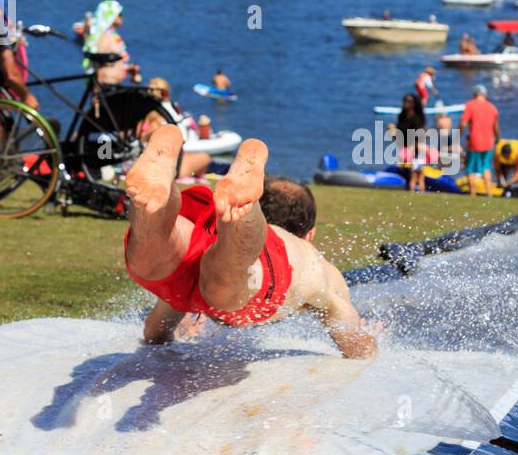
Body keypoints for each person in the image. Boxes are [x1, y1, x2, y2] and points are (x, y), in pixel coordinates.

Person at [125, 128, 378, 358]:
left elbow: (154, 333)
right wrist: (370, 344)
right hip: (255, 266)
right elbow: (352, 340)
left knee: (152, 259)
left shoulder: (258, 236)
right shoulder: (309, 258)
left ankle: (161, 197)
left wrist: (182, 328)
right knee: (229, 282)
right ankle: (243, 216)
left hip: (205, 236)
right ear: (309, 234)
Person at [85, 0, 140, 86]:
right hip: (106, 85)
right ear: (110, 15)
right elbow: (101, 62)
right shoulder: (103, 37)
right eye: (120, 14)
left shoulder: (111, 36)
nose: (122, 17)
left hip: (114, 85)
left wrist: (127, 69)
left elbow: (112, 63)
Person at [460, 85, 500, 196]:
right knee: (486, 167)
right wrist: (498, 138)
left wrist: (457, 134)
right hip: (489, 142)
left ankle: (472, 194)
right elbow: (496, 127)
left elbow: (463, 123)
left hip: (474, 141)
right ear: (485, 95)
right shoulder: (492, 107)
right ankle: (489, 194)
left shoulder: (470, 105)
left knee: (470, 168)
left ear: (474, 94)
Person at [392, 93, 428, 193]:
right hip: (406, 147)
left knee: (419, 175)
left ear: (414, 104)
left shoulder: (419, 117)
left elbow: (421, 132)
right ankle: (413, 190)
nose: (406, 103)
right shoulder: (402, 116)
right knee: (412, 173)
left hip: (417, 147)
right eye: (405, 101)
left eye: (409, 102)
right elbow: (399, 133)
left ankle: (418, 191)